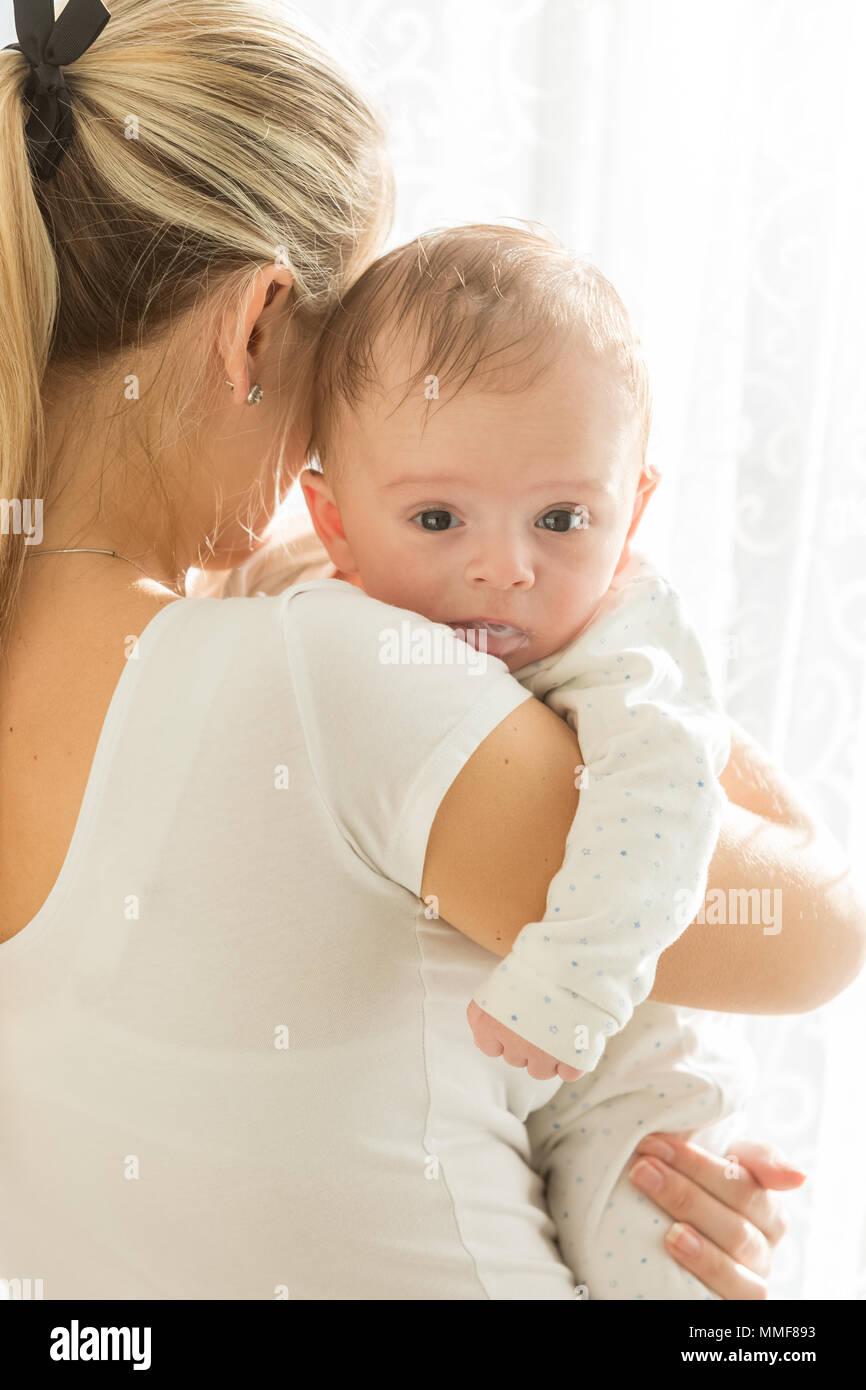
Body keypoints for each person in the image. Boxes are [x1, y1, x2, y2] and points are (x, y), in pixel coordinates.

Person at [0, 0, 861, 1300]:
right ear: (258, 325)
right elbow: (818, 926)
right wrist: (604, 611)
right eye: (348, 361)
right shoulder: (324, 680)